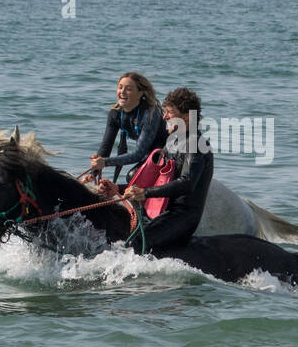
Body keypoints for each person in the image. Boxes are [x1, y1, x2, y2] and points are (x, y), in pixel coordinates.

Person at [122, 87, 212, 253]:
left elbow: (187, 183)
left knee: (136, 244)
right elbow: (150, 179)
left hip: (182, 216)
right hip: (163, 210)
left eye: (170, 112)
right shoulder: (172, 143)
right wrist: (119, 189)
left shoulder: (197, 145)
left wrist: (145, 193)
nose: (164, 117)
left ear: (185, 116)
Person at [89, 72, 167, 184]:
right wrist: (93, 172)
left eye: (128, 89)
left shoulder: (150, 113)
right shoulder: (115, 113)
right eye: (120, 87)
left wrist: (106, 162)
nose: (122, 92)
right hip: (147, 155)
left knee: (132, 176)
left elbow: (139, 153)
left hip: (164, 153)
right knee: (131, 177)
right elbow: (106, 147)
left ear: (140, 93)